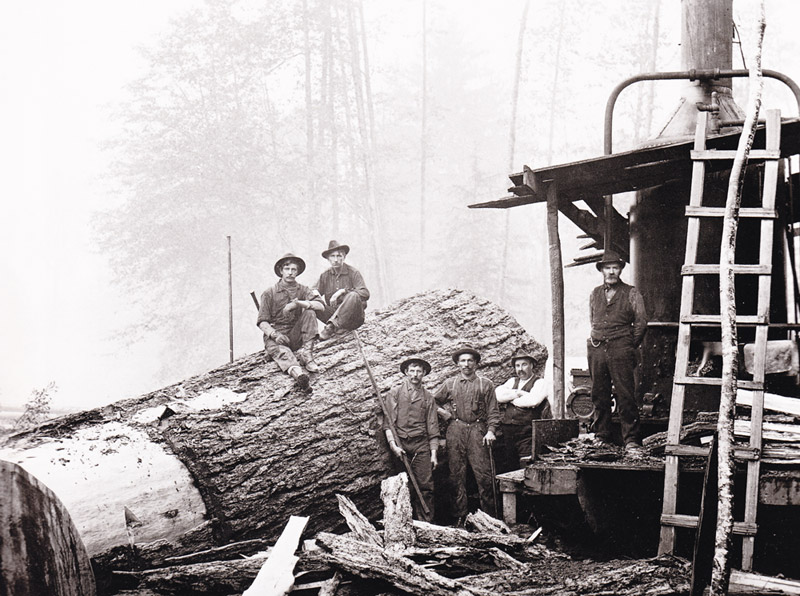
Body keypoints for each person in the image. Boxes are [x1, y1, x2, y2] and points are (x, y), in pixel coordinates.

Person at [588, 250, 648, 450]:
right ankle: (602, 436)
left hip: (621, 347)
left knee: (625, 394)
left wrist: (629, 345)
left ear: (620, 269)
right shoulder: (595, 293)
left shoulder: (631, 293)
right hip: (597, 348)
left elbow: (641, 322)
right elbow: (593, 320)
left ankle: (631, 439)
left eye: (615, 267)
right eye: (607, 268)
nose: (611, 271)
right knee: (599, 393)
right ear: (602, 270)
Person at [434, 344, 500, 524]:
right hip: (455, 430)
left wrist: (491, 431)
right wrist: (443, 413)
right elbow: (431, 401)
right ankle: (459, 518)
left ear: (477, 364)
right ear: (457, 364)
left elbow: (494, 411)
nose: (466, 364)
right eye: (462, 361)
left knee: (485, 476)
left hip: (478, 431)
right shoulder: (450, 384)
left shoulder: (485, 384)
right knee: (456, 475)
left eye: (470, 360)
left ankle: (490, 518)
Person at [381, 356, 439, 522]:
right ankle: (402, 523)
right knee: (402, 486)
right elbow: (388, 424)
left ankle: (425, 523)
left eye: (419, 371)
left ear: (424, 374)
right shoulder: (395, 393)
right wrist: (393, 446)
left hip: (421, 445)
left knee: (425, 486)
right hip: (401, 444)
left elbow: (433, 428)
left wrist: (433, 454)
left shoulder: (428, 397)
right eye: (412, 371)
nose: (415, 374)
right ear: (406, 373)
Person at [257, 253, 324, 390]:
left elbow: (320, 306)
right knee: (283, 353)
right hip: (277, 336)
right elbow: (262, 322)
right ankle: (300, 376)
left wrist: (299, 303)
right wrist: (275, 335)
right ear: (281, 271)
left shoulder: (303, 290)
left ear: (298, 272)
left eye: (294, 269)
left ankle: (307, 355)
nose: (290, 273)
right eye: (287, 269)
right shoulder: (269, 293)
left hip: (296, 333)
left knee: (310, 312)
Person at [494, 346, 552, 471]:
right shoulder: (511, 381)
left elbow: (533, 401)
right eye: (517, 366)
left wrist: (510, 398)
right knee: (510, 464)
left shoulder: (540, 382)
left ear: (532, 365)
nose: (520, 369)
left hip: (527, 432)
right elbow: (497, 395)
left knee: (526, 465)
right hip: (508, 431)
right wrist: (519, 393)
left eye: (524, 364)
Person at [314, 240, 370, 340]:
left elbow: (365, 293)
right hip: (333, 315)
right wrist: (314, 295)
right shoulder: (325, 276)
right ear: (328, 259)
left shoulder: (353, 272)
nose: (336, 260)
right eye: (332, 256)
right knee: (312, 303)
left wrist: (343, 291)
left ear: (344, 257)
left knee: (353, 295)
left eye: (339, 256)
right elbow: (313, 291)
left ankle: (330, 328)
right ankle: (310, 336)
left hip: (354, 318)